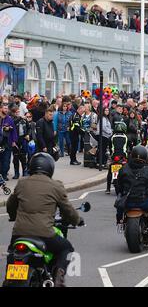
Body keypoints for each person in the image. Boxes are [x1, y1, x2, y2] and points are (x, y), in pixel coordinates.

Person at [6, 153, 83, 287]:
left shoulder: (22, 182)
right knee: (66, 248)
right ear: (50, 168)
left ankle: (9, 278)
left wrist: (13, 216)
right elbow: (68, 209)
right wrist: (77, 220)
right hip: (44, 233)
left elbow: (10, 205)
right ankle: (59, 278)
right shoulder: (56, 186)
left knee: (12, 253)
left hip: (19, 233)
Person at [11, 107, 30, 179]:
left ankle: (24, 171)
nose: (18, 113)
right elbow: (13, 123)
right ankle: (16, 173)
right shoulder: (12, 119)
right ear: (13, 113)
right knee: (16, 157)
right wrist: (20, 117)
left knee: (23, 156)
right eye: (16, 112)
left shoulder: (24, 119)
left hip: (23, 139)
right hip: (15, 140)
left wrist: (27, 134)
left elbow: (29, 128)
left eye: (18, 112)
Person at [1, 104, 18, 181]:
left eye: (7, 108)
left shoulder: (9, 119)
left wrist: (14, 141)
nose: (6, 110)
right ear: (1, 109)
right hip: (0, 143)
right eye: (4, 108)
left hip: (8, 142)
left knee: (7, 160)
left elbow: (14, 130)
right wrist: (3, 129)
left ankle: (4, 174)